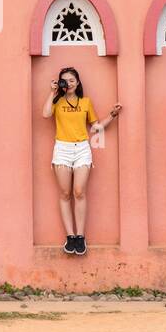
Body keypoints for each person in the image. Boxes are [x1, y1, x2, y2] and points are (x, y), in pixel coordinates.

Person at [41, 66, 121, 256]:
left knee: (79, 192)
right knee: (65, 192)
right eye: (64, 80)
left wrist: (112, 115)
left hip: (82, 149)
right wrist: (52, 92)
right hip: (62, 148)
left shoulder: (85, 102)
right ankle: (70, 236)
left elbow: (95, 128)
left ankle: (80, 236)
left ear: (77, 82)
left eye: (71, 80)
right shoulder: (57, 101)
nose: (68, 83)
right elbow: (45, 114)